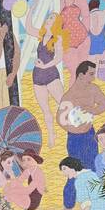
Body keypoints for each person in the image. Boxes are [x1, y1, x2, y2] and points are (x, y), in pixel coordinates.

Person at [57, 61, 105, 168]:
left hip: (90, 134)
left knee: (93, 167)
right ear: (81, 75)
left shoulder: (93, 89)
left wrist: (92, 110)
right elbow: (60, 119)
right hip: (75, 138)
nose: (93, 78)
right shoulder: (69, 95)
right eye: (91, 74)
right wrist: (75, 128)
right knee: (77, 170)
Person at [31, 15, 64, 147]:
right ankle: (51, 135)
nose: (47, 19)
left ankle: (73, 128)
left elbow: (59, 57)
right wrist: (29, 10)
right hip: (38, 75)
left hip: (50, 74)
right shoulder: (42, 35)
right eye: (48, 18)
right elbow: (28, 28)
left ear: (55, 23)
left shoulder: (57, 38)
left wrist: (44, 65)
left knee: (64, 104)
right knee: (45, 110)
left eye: (51, 18)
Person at [58, 0, 92, 79]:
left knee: (83, 71)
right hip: (67, 42)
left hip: (83, 39)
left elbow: (86, 18)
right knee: (74, 72)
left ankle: (84, 94)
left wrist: (85, 35)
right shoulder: (59, 4)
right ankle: (74, 94)